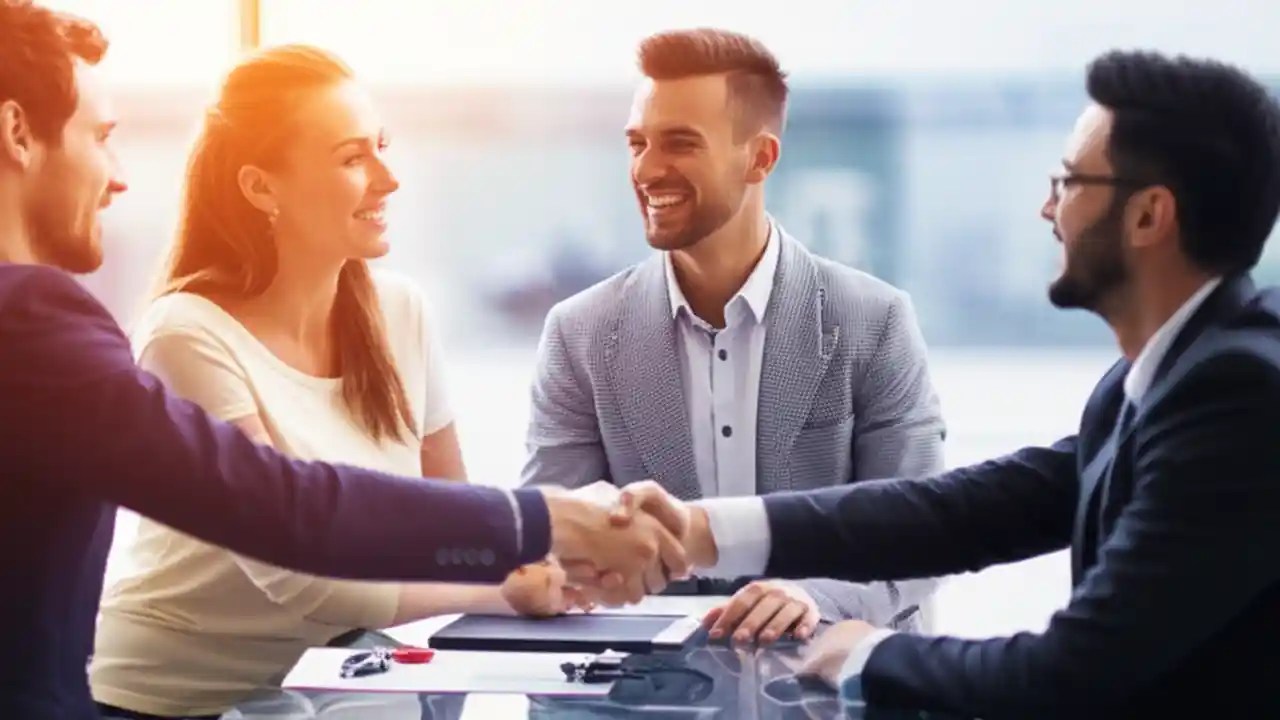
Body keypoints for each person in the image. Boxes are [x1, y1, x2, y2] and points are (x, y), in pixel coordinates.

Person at [0, 4, 687, 718]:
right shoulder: (37, 323)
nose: (118, 177)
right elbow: (280, 509)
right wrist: (543, 524)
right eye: (102, 138)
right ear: (18, 132)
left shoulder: (399, 311)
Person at [609, 48, 1280, 718]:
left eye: (1071, 183)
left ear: (1147, 217)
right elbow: (965, 513)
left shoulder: (1237, 399)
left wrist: (869, 655)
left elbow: (1078, 671)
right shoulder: (1161, 380)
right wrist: (698, 528)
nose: (1049, 209)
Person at [87, 45, 587, 720]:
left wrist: (508, 564)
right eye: (353, 158)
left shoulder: (401, 311)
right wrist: (504, 586)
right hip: (175, 701)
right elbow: (309, 578)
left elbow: (453, 520)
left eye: (382, 147)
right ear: (261, 187)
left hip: (334, 684)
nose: (388, 178)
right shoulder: (186, 335)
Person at [521, 27, 946, 640]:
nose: (646, 169)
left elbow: (919, 536)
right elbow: (552, 534)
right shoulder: (579, 332)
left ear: (761, 158)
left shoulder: (873, 321)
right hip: (645, 689)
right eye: (637, 143)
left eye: (680, 144)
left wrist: (811, 596)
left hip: (832, 674)